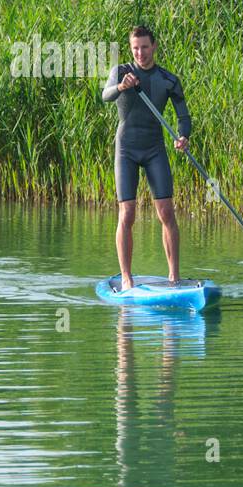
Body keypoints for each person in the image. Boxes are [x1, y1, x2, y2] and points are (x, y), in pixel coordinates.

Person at [101, 26, 191, 290]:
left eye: (144, 47)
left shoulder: (168, 79)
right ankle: (126, 277)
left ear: (154, 47)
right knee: (127, 214)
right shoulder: (120, 72)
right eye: (135, 48)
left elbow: (183, 117)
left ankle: (174, 276)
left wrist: (183, 136)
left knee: (167, 213)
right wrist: (120, 86)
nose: (139, 52)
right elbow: (105, 96)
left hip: (154, 149)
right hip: (126, 149)